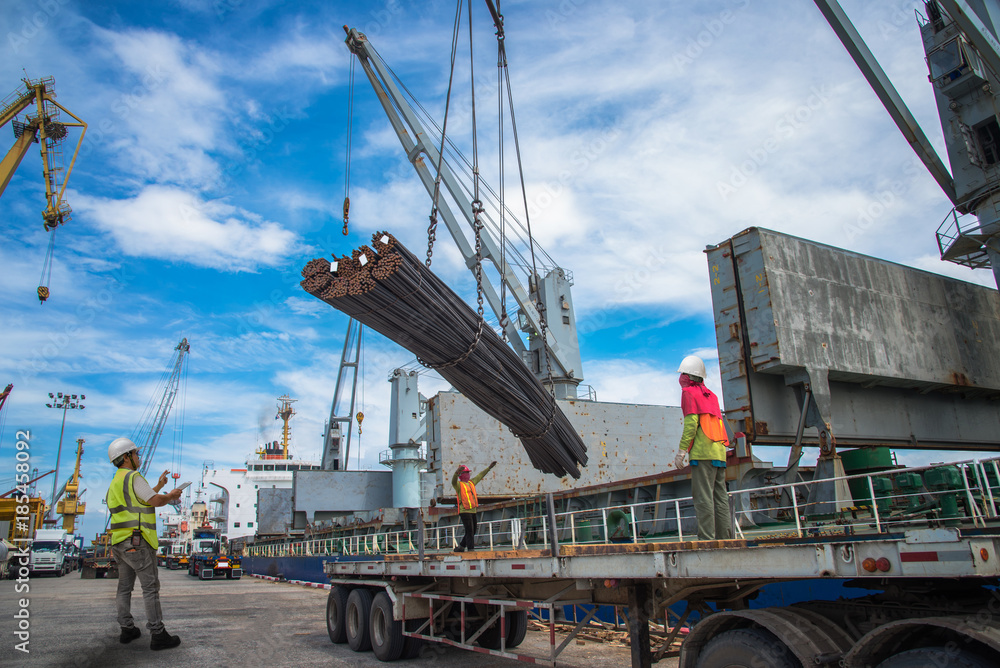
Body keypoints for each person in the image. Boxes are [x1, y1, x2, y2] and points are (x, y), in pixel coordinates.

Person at [106, 437, 184, 650]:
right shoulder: (134, 476)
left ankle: (127, 629)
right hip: (137, 543)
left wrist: (159, 485)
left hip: (119, 543)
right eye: (136, 453)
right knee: (150, 588)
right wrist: (171, 495)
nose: (139, 457)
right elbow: (155, 501)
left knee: (124, 587)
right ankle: (158, 634)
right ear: (127, 457)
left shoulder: (116, 481)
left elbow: (140, 500)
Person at [674, 355, 732, 541]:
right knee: (720, 497)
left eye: (683, 373)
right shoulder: (712, 396)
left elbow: (691, 425)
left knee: (703, 497)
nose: (681, 377)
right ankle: (726, 538)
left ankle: (707, 540)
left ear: (689, 376)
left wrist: (682, 452)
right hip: (719, 452)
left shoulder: (689, 393)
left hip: (702, 452)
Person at [451, 461, 496, 552]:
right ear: (461, 475)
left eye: (468, 473)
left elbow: (480, 476)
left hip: (473, 510)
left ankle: (461, 547)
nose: (468, 475)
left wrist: (489, 468)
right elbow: (453, 481)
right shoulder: (458, 485)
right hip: (464, 511)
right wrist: (456, 472)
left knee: (473, 530)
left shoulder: (471, 483)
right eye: (466, 473)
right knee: (470, 531)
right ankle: (471, 549)